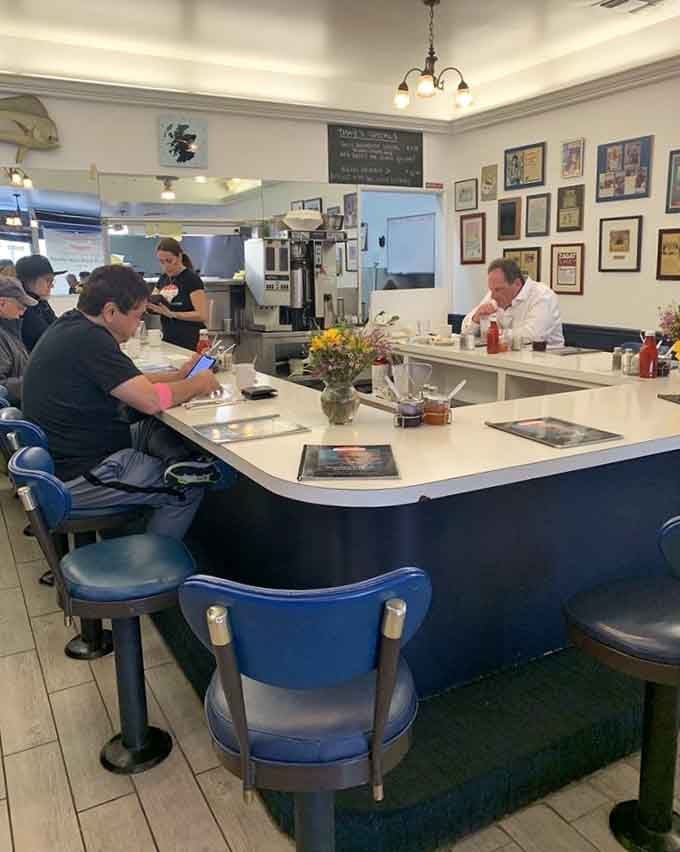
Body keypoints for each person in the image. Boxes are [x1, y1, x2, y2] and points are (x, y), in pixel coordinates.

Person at [23, 265, 226, 539]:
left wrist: (177, 376)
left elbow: (129, 381)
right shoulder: (90, 340)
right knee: (187, 489)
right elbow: (152, 401)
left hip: (80, 447)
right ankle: (152, 567)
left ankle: (178, 465)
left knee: (151, 427)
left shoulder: (73, 325)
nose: (138, 325)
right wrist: (198, 384)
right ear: (110, 312)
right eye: (137, 316)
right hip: (83, 472)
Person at [461, 258, 564, 347]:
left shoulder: (542, 296)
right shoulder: (494, 295)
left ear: (517, 283)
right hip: (507, 359)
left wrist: (495, 334)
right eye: (491, 289)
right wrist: (476, 317)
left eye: (498, 290)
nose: (493, 296)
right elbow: (465, 332)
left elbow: (532, 336)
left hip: (545, 362)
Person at [146, 238, 207, 350]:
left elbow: (202, 315)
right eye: (161, 261)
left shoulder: (191, 279)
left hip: (190, 340)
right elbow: (154, 301)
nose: (165, 266)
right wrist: (149, 306)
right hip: (168, 338)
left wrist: (173, 314)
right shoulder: (163, 279)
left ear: (179, 257)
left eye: (169, 261)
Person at [15, 254, 65, 351]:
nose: (52, 286)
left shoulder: (41, 302)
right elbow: (43, 336)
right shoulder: (20, 307)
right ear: (28, 280)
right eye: (48, 280)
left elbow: (57, 325)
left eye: (52, 281)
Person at [0, 275, 35, 404]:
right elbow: (1, 389)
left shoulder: (9, 329)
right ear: (2, 303)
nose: (23, 312)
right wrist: (36, 380)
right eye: (20, 307)